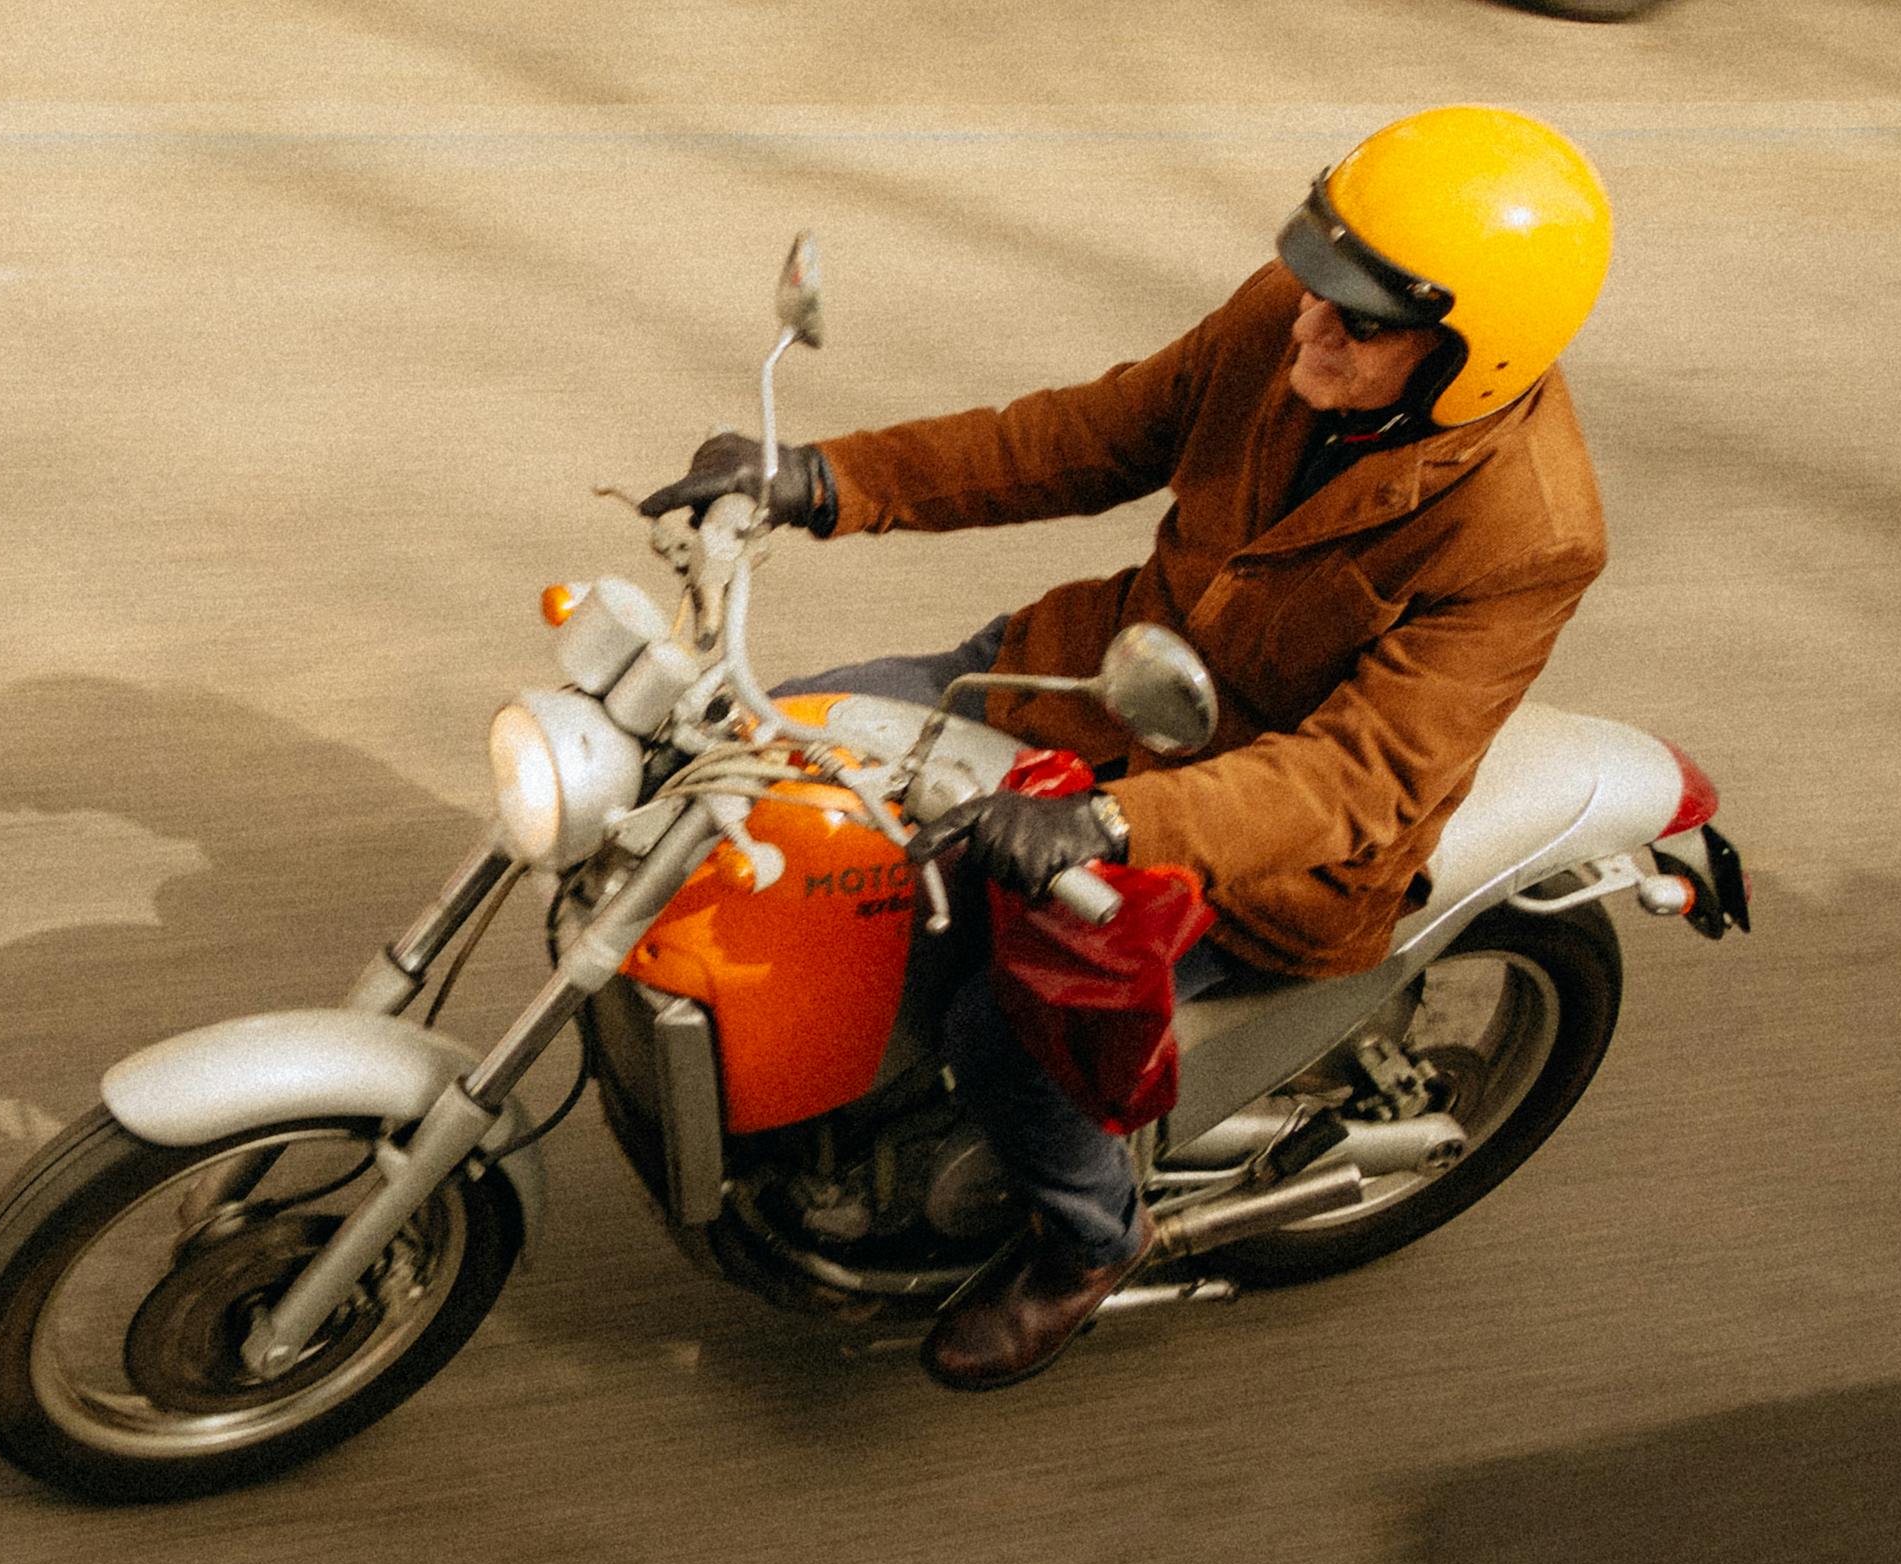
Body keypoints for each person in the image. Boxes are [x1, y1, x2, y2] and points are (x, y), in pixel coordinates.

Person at [639, 104, 1615, 1392]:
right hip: (1083, 681)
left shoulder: (1527, 533)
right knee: (771, 762)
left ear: (1473, 356)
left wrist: (1114, 827)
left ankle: (1089, 1236)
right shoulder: (1293, 315)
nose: (1310, 324)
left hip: (1259, 848)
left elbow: (1358, 777)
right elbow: (1088, 438)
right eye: (1317, 282)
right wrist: (824, 479)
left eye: (1361, 318)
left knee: (1009, 1023)